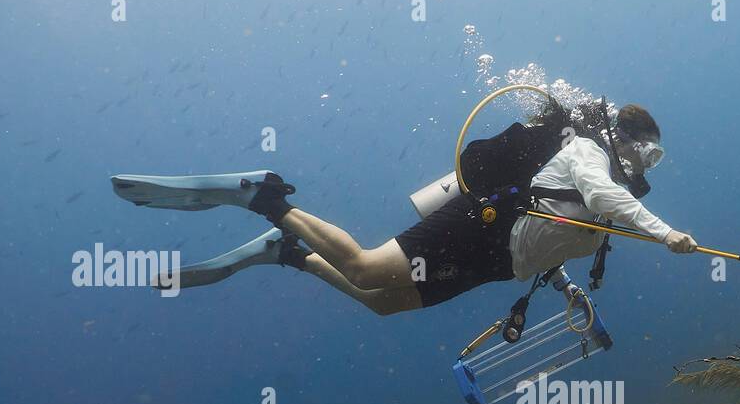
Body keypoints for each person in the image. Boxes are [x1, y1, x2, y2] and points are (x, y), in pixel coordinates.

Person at [112, 102, 697, 313]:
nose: (650, 164)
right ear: (625, 138)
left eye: (657, 157)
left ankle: (286, 253)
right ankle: (260, 196)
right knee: (368, 268)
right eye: (651, 151)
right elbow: (598, 197)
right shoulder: (588, 151)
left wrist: (562, 285)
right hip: (483, 226)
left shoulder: (610, 201)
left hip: (499, 262)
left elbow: (558, 231)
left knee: (382, 305)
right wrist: (665, 231)